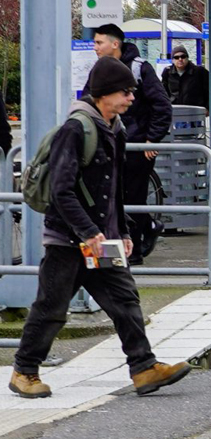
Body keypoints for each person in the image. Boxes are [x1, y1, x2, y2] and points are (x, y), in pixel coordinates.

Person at [11, 57, 190, 399]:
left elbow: (115, 189)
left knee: (125, 300)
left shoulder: (116, 129)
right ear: (105, 94)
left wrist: (121, 231)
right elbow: (62, 190)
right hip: (67, 239)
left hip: (103, 241)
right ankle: (24, 371)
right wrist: (88, 232)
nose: (131, 98)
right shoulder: (76, 129)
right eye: (125, 92)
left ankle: (144, 368)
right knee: (51, 308)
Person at [91, 25, 172, 265]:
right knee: (112, 196)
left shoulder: (139, 68)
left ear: (114, 44)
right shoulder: (99, 70)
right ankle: (146, 229)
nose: (95, 48)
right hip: (109, 144)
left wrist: (151, 139)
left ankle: (132, 252)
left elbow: (162, 105)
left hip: (137, 145)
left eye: (99, 43)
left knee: (132, 197)